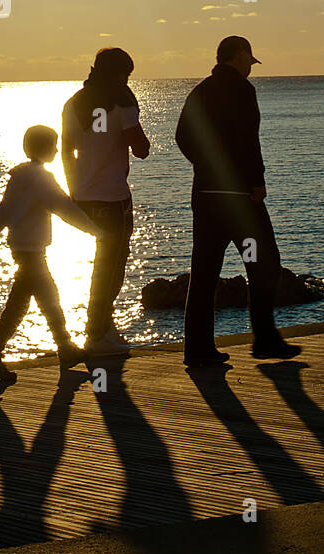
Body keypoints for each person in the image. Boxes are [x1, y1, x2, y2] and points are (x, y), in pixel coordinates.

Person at [175, 35, 300, 365]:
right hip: (239, 198)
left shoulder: (200, 91)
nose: (250, 67)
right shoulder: (243, 91)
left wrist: (206, 165)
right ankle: (265, 340)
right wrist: (256, 181)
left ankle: (197, 349)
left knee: (204, 273)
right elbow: (248, 140)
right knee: (264, 263)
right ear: (239, 55)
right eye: (249, 60)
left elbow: (182, 137)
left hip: (205, 194)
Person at [0, 125, 104, 382]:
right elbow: (64, 207)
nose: (57, 149)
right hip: (32, 252)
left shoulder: (19, 178)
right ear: (44, 149)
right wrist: (97, 231)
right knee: (40, 301)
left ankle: (61, 349)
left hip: (22, 251)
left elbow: (2, 214)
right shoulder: (40, 178)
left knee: (28, 303)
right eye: (53, 145)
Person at [61, 48, 149, 355]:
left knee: (103, 264)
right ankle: (96, 333)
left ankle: (103, 328)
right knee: (113, 266)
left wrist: (74, 190)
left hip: (84, 195)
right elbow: (140, 148)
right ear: (118, 74)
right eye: (126, 74)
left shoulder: (73, 104)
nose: (127, 80)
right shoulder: (122, 101)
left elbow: (66, 151)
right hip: (114, 197)